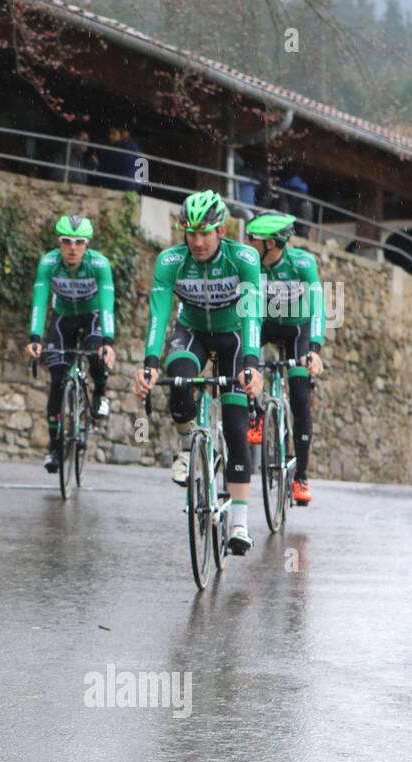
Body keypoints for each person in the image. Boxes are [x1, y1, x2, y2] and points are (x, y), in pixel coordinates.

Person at [133, 190, 264, 554]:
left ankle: (239, 522)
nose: (198, 241)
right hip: (191, 333)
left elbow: (253, 312)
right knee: (178, 379)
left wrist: (252, 362)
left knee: (238, 426)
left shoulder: (244, 258)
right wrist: (149, 362)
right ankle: (186, 446)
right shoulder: (171, 260)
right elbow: (160, 314)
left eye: (205, 232)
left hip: (234, 338)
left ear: (221, 230)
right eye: (190, 233)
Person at [243, 213, 325, 505]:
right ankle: (257, 411)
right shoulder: (247, 264)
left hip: (296, 331)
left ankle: (300, 476)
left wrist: (313, 348)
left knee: (301, 397)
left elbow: (317, 308)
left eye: (250, 238)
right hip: (265, 325)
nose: (244, 242)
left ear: (269, 243)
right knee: (244, 360)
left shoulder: (302, 263)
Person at [26, 215, 116, 472]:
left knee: (96, 355)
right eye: (66, 241)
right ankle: (54, 450)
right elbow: (40, 301)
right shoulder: (49, 263)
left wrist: (108, 341)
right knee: (57, 378)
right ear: (59, 242)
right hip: (63, 317)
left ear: (87, 244)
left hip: (92, 316)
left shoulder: (99, 264)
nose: (72, 247)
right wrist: (35, 337)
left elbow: (108, 302)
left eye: (79, 242)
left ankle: (99, 394)